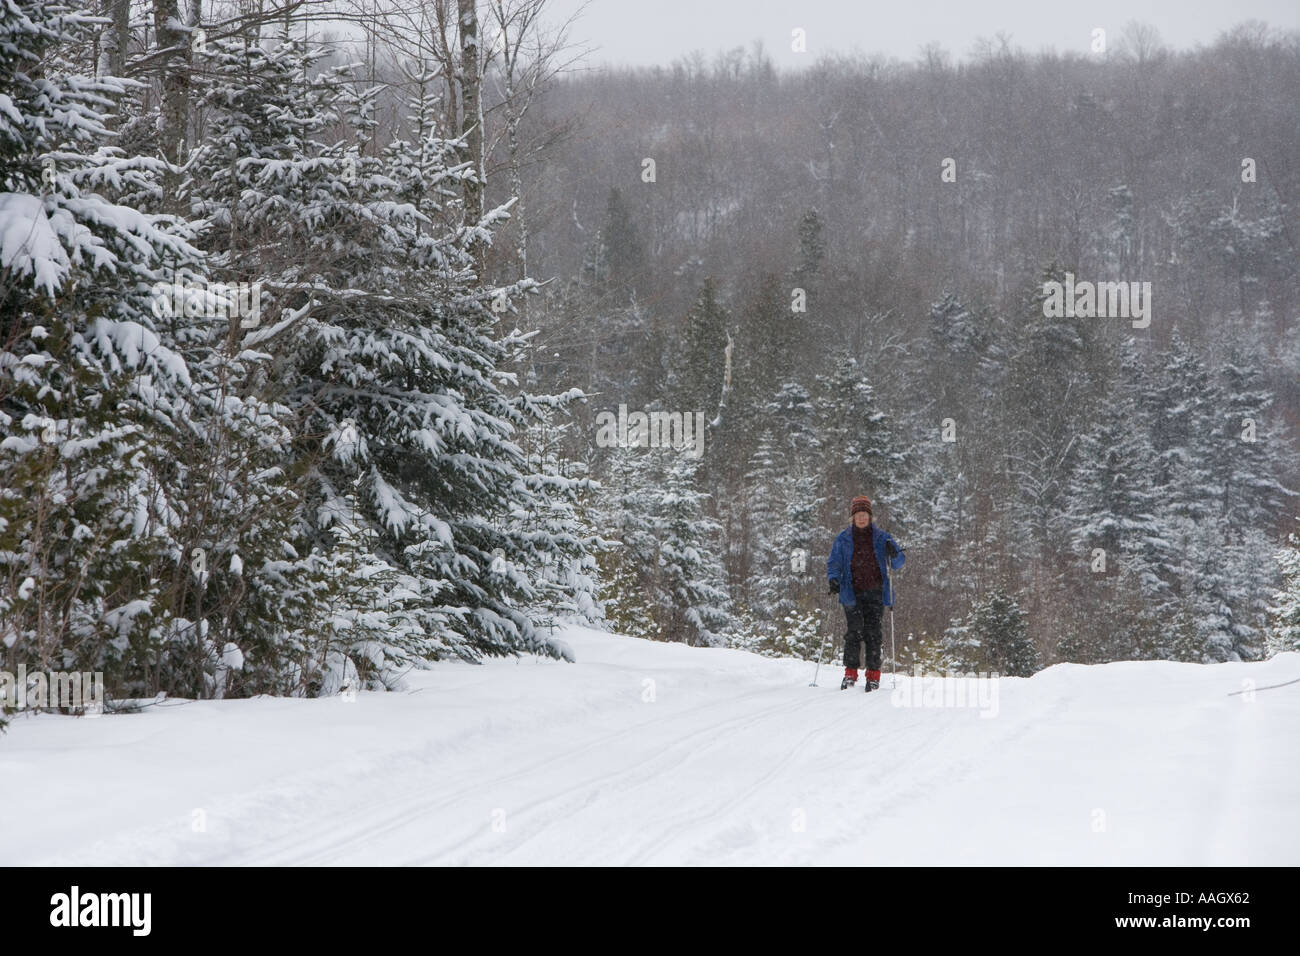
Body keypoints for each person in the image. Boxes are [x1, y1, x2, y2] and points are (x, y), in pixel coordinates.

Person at [826, 495, 905, 690]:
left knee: (873, 634)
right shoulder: (843, 538)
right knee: (853, 632)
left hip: (875, 592)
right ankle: (850, 674)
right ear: (852, 518)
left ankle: (873, 675)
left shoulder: (882, 537)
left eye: (864, 515)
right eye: (858, 515)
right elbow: (834, 562)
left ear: (870, 517)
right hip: (850, 592)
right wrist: (833, 579)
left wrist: (894, 553)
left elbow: (899, 562)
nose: (861, 518)